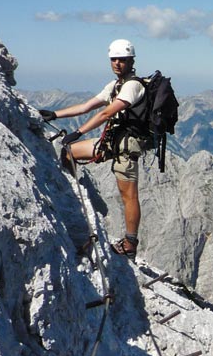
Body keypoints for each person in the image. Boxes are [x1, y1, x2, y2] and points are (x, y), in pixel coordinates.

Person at [38, 39, 147, 257]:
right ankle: (71, 197)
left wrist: (78, 132)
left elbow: (106, 113)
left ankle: (130, 244)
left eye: (122, 60)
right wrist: (55, 114)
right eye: (114, 59)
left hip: (126, 147)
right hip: (112, 142)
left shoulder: (133, 86)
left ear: (131, 61)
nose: (117, 63)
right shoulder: (115, 85)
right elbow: (87, 106)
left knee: (129, 196)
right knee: (69, 152)